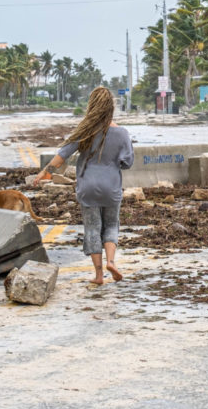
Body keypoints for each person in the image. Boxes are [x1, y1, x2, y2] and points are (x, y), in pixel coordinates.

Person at [33, 86, 133, 285]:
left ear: (92, 106)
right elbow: (127, 162)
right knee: (112, 225)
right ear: (111, 107)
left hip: (87, 187)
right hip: (111, 187)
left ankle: (98, 275)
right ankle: (111, 262)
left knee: (92, 229)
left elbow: (62, 156)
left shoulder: (85, 131)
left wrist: (45, 173)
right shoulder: (122, 133)